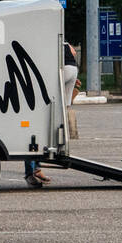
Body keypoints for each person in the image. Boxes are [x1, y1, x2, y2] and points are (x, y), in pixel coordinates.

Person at [26, 42, 81, 186]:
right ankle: (62, 143)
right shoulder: (63, 41)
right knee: (64, 108)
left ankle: (34, 169)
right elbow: (73, 52)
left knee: (35, 126)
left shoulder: (45, 39)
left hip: (63, 70)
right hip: (73, 69)